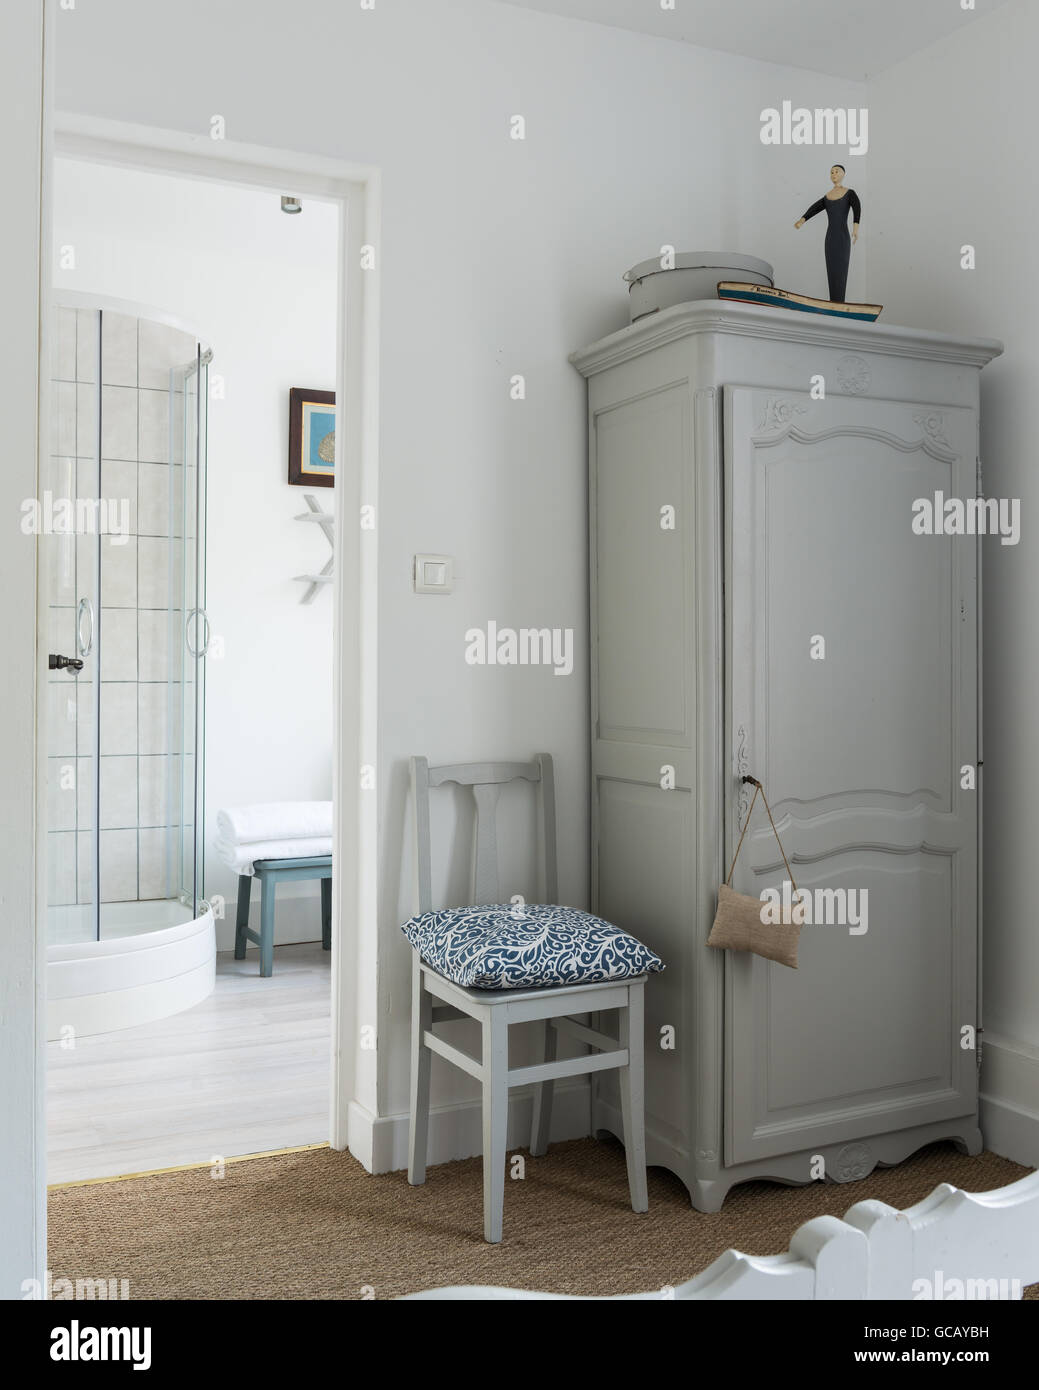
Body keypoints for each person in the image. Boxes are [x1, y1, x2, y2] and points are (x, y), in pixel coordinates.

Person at [794, 165, 861, 303]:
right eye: (831, 172)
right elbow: (815, 207)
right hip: (830, 238)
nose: (833, 174)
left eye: (837, 171)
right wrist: (802, 219)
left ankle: (839, 303)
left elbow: (857, 207)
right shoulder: (827, 197)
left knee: (841, 270)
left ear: (843, 174)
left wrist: (856, 228)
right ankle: (833, 303)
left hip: (842, 237)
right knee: (831, 271)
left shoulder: (849, 193)